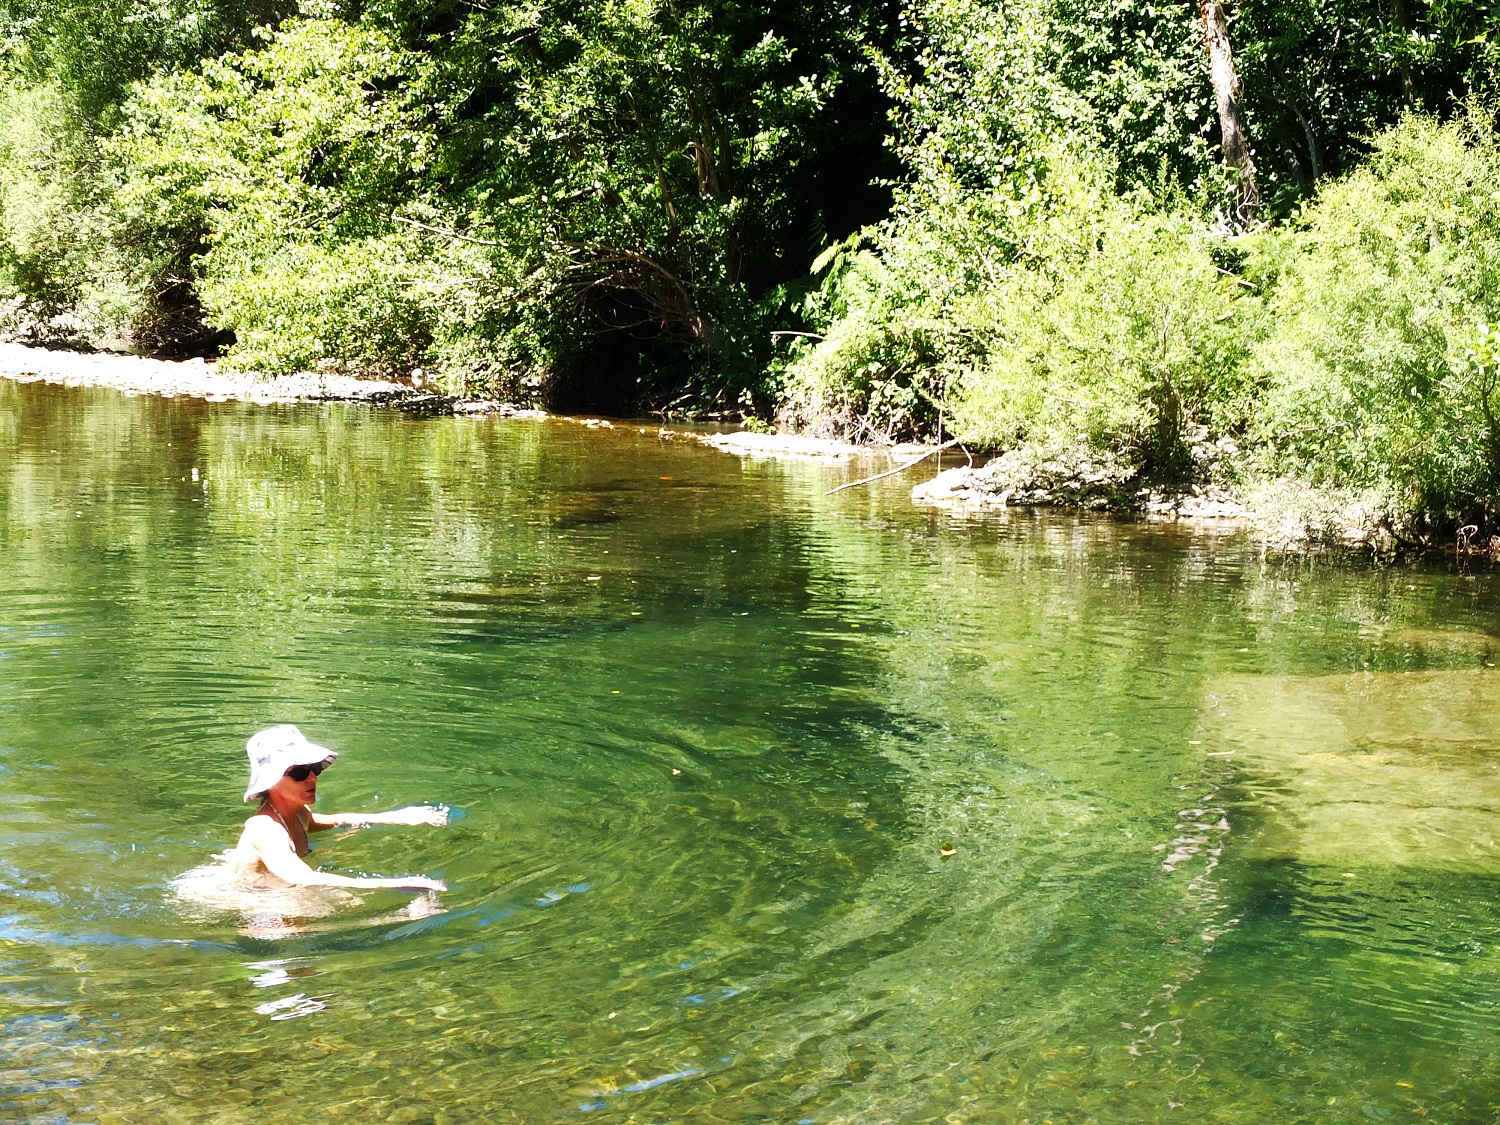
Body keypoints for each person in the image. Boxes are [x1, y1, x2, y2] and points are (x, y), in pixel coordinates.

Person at [231, 724, 448, 893]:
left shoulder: (298, 812)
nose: (313, 777)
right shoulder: (265, 829)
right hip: (251, 896)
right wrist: (397, 884)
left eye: (314, 768)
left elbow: (334, 820)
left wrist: (396, 817)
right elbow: (303, 879)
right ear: (272, 781)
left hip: (276, 888)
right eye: (299, 772)